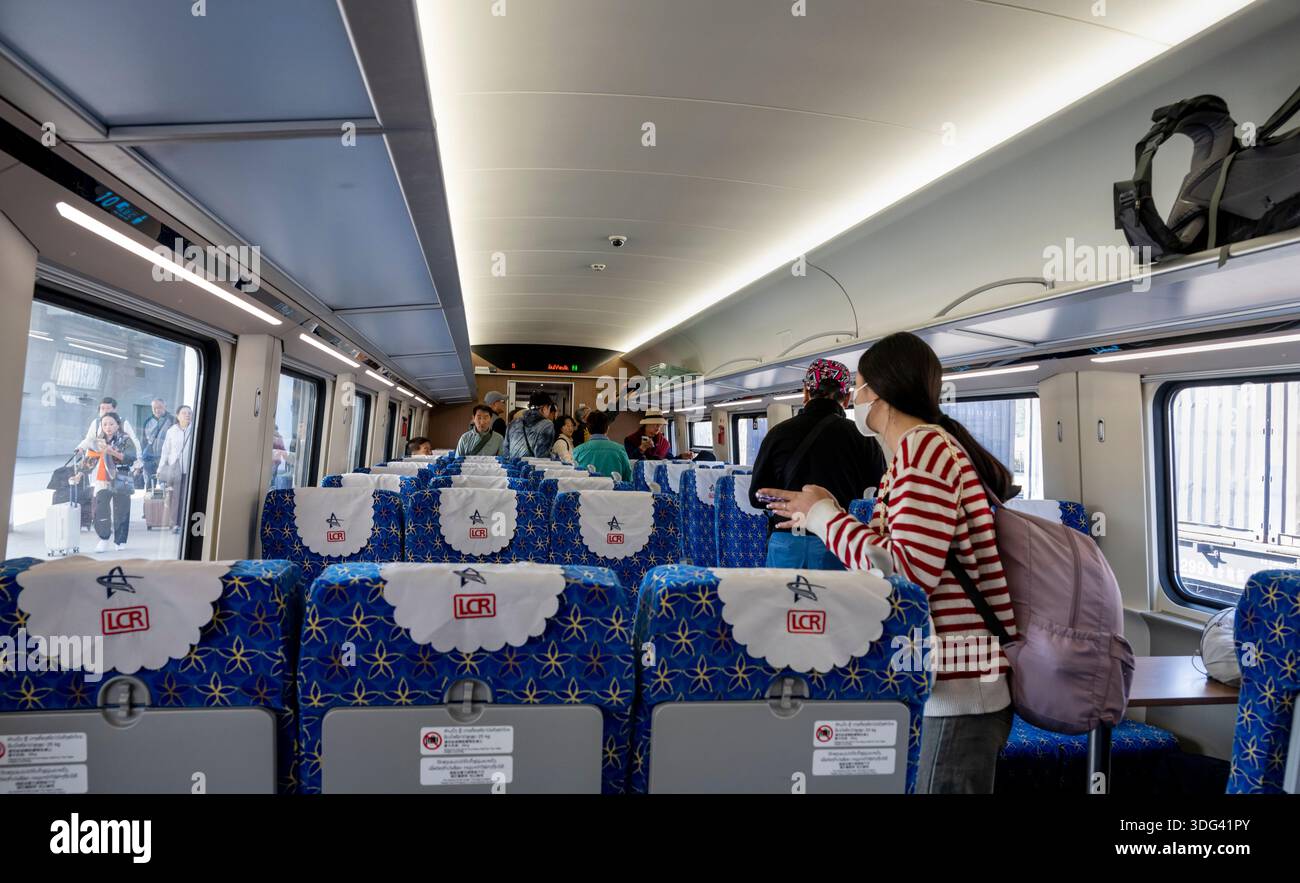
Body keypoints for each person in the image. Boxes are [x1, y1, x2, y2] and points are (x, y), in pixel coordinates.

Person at [759, 332, 1018, 794]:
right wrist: (825, 510)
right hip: (940, 677)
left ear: (881, 393)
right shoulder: (912, 455)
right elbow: (895, 556)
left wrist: (823, 516)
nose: (854, 399)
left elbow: (908, 576)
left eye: (858, 387)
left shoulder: (924, 450)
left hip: (959, 686)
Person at [749, 358, 887, 570]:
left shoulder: (777, 434)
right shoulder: (861, 437)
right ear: (847, 397)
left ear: (806, 392)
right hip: (835, 542)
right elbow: (877, 492)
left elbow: (756, 497)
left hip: (786, 543)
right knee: (832, 604)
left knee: (783, 603)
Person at [80, 411, 137, 552]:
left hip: (121, 479)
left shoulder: (125, 439)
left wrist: (113, 452)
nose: (108, 427)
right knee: (100, 510)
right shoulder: (98, 441)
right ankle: (104, 538)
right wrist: (80, 474)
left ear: (118, 425)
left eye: (111, 424)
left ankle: (120, 540)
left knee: (121, 510)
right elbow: (90, 461)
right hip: (102, 480)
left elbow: (130, 458)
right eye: (105, 424)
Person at [78, 397, 143, 479]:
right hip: (99, 466)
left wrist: (138, 462)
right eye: (102, 408)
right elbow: (89, 440)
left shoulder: (123, 423)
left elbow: (134, 441)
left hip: (119, 467)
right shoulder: (96, 423)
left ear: (115, 409)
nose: (105, 411)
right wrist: (80, 447)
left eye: (108, 408)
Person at [158, 404, 195, 534]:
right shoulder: (172, 431)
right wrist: (161, 467)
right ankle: (176, 524)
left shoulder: (195, 429)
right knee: (175, 497)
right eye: (184, 413)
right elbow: (165, 451)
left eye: (189, 413)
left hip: (191, 470)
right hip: (175, 470)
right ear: (178, 416)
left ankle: (188, 523)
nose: (187, 415)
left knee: (188, 497)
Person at [573, 410, 633, 481]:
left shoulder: (577, 451)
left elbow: (574, 478)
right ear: (607, 428)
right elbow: (628, 478)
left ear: (588, 429)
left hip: (586, 491)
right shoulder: (620, 450)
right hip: (614, 491)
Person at [624, 407, 694, 461]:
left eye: (660, 426)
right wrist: (642, 448)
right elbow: (629, 461)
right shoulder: (631, 440)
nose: (658, 429)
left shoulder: (664, 443)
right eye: (656, 425)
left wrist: (681, 457)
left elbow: (670, 460)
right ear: (647, 424)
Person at [505, 392, 557, 460]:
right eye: (549, 408)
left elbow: (506, 450)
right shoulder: (547, 425)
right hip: (532, 468)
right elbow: (542, 456)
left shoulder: (514, 422)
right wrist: (554, 457)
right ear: (544, 408)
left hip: (513, 468)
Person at [140, 398, 176, 489]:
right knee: (149, 483)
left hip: (165, 457)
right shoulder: (148, 421)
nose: (157, 410)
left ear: (165, 407)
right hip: (149, 458)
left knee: (164, 484)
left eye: (160, 407)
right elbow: (143, 441)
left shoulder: (172, 420)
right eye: (154, 408)